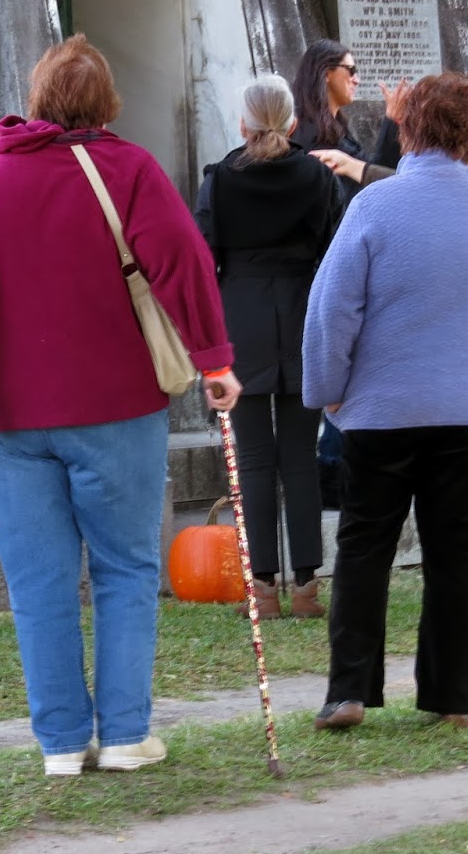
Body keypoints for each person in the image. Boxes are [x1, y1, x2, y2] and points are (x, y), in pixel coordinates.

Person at [0, 34, 242, 778]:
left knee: (39, 582)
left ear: (36, 99)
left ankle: (58, 744)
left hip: (4, 411)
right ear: (106, 105)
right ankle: (124, 735)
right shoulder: (128, 169)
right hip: (114, 404)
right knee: (125, 568)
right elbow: (183, 259)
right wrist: (213, 358)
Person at [302, 73, 468, 732]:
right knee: (453, 549)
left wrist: (327, 391)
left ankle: (350, 690)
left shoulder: (377, 203)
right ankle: (453, 695)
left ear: (408, 130)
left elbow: (333, 308)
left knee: (365, 544)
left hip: (384, 403)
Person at [194, 75, 342, 620]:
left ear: (243, 122)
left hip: (242, 322)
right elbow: (337, 254)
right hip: (305, 316)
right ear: (293, 122)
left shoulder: (220, 180)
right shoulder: (317, 176)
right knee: (301, 457)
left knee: (254, 462)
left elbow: (202, 261)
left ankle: (262, 588)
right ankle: (306, 586)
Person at [289, 40, 406, 201]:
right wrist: (392, 121)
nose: (356, 80)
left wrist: (392, 120)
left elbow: (366, 172)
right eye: (351, 70)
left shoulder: (330, 125)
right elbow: (366, 185)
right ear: (327, 73)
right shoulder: (313, 133)